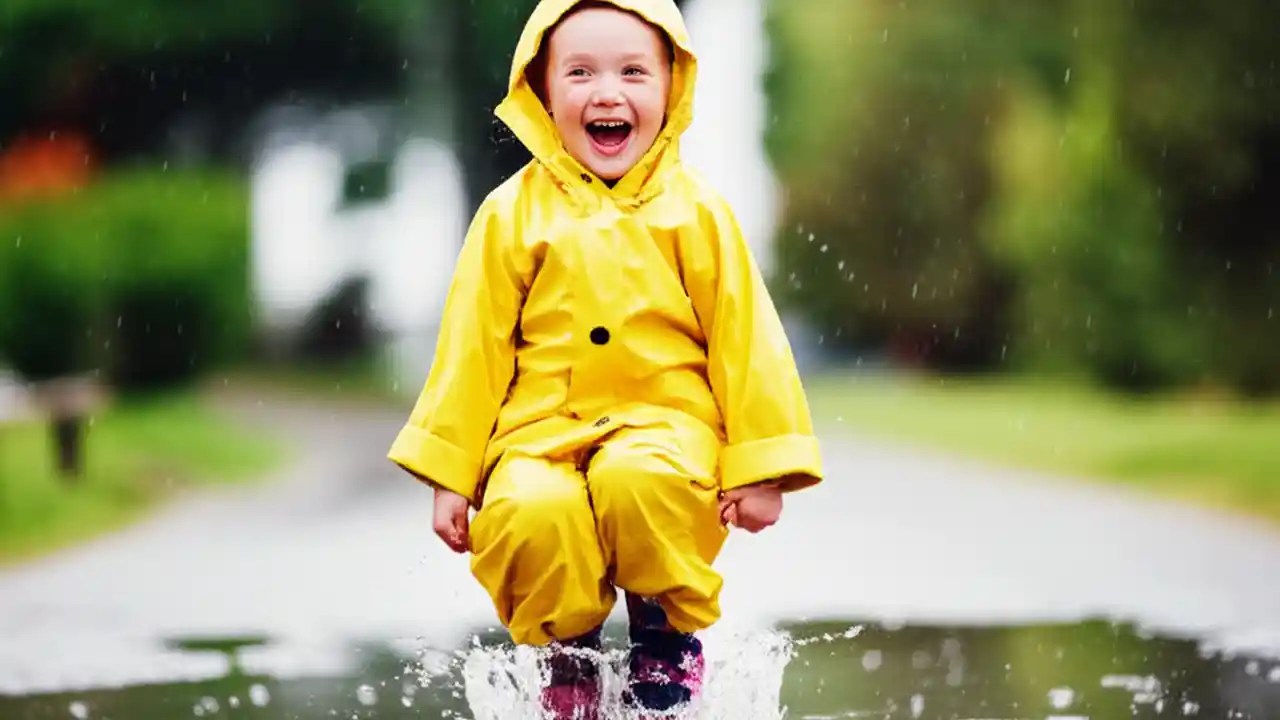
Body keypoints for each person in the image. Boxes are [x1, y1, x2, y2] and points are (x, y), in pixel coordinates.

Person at [387, 0, 823, 716]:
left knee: (640, 479)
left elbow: (747, 342)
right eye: (581, 72)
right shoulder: (509, 215)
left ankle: (664, 636)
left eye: (633, 72)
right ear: (543, 89)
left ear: (670, 87)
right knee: (532, 511)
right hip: (539, 437)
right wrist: (451, 470)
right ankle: (569, 659)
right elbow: (474, 348)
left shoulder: (697, 214)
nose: (608, 92)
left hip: (666, 431)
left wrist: (763, 466)